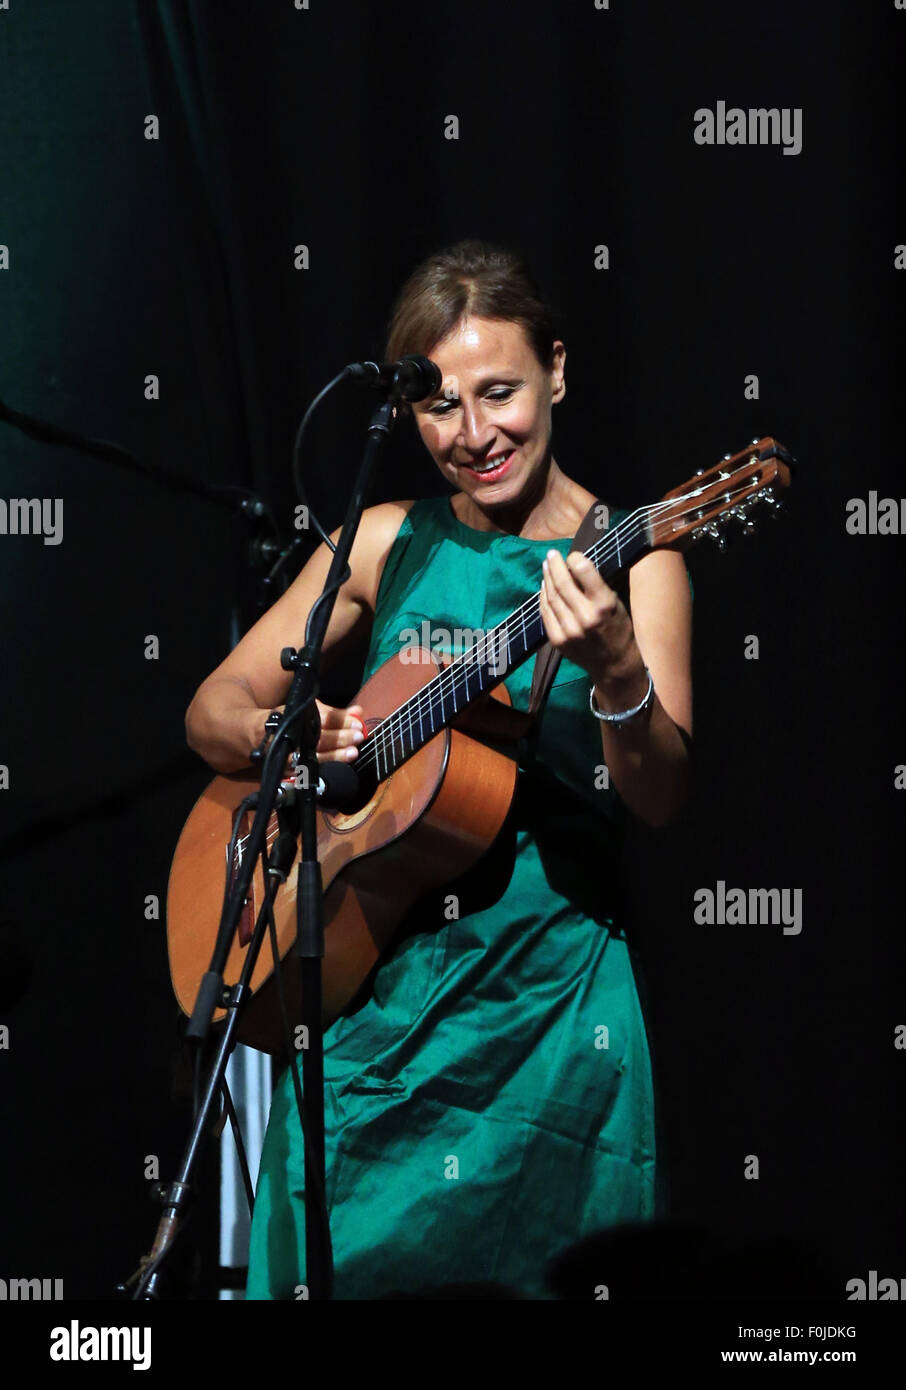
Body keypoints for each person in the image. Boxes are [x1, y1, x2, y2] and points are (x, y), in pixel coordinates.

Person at [185, 239, 693, 1299]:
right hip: (370, 1003)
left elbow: (657, 794)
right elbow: (214, 708)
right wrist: (299, 738)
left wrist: (616, 671)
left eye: (500, 392)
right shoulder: (379, 540)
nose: (473, 436)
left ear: (557, 370)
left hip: (547, 1021)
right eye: (440, 406)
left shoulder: (638, 558)